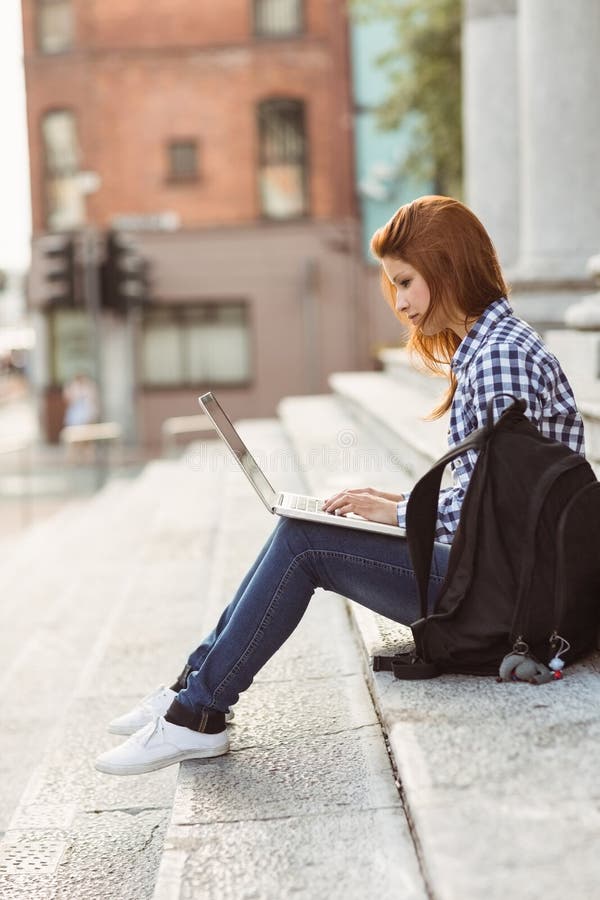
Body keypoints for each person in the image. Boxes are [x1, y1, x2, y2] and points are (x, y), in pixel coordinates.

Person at [95, 196, 585, 776]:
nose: (400, 303)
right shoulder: (487, 347)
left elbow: (500, 518)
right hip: (505, 580)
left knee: (307, 540)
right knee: (302, 524)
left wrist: (400, 517)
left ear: (447, 266)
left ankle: (197, 714)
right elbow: (495, 495)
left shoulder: (499, 356)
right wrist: (397, 504)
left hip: (507, 601)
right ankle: (189, 689)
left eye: (406, 281)